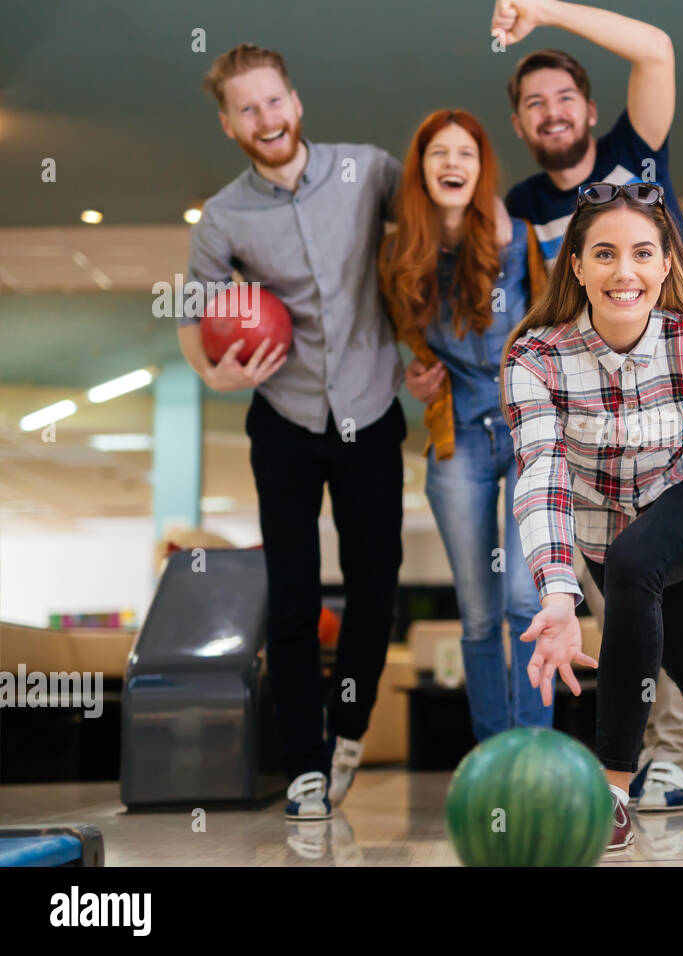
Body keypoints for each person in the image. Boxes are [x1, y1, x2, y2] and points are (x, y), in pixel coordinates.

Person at [501, 182, 683, 852]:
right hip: (604, 521)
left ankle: (611, 791)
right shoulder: (536, 360)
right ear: (576, 267)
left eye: (640, 254)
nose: (623, 272)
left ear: (667, 265)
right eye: (603, 254)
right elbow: (541, 476)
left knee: (637, 561)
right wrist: (556, 592)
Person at [493, 0, 683, 815]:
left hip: (681, 411)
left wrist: (540, 10)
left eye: (564, 97)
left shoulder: (636, 158)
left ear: (590, 110)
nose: (552, 113)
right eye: (534, 104)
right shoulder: (519, 208)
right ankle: (626, 757)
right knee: (624, 599)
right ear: (520, 124)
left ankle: (673, 760)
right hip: (595, 433)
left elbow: (656, 48)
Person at [179, 43, 408, 820]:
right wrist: (212, 373)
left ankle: (348, 729)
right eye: (247, 109)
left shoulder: (368, 171)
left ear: (295, 102)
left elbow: (434, 243)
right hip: (283, 417)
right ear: (227, 124)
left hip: (371, 411)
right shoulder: (222, 217)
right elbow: (194, 313)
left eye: (273, 101)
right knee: (293, 595)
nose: (265, 118)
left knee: (377, 592)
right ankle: (305, 765)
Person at [379, 109, 553, 740]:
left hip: (529, 432)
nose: (452, 163)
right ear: (421, 171)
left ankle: (534, 752)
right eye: (438, 154)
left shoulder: (519, 237)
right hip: (457, 438)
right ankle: (493, 756)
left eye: (466, 154)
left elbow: (554, 326)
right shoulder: (400, 253)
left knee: (524, 602)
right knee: (478, 615)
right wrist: (416, 373)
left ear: (482, 171)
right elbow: (403, 335)